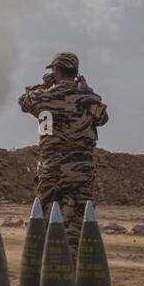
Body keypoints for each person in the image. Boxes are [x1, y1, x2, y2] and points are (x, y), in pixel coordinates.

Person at [18, 52, 109, 262]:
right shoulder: (88, 100)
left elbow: (24, 101)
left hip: (53, 167)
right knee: (77, 223)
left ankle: (43, 268)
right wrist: (89, 92)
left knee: (42, 219)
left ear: (57, 71)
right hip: (82, 169)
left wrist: (43, 86)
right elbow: (103, 117)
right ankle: (72, 271)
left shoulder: (45, 97)